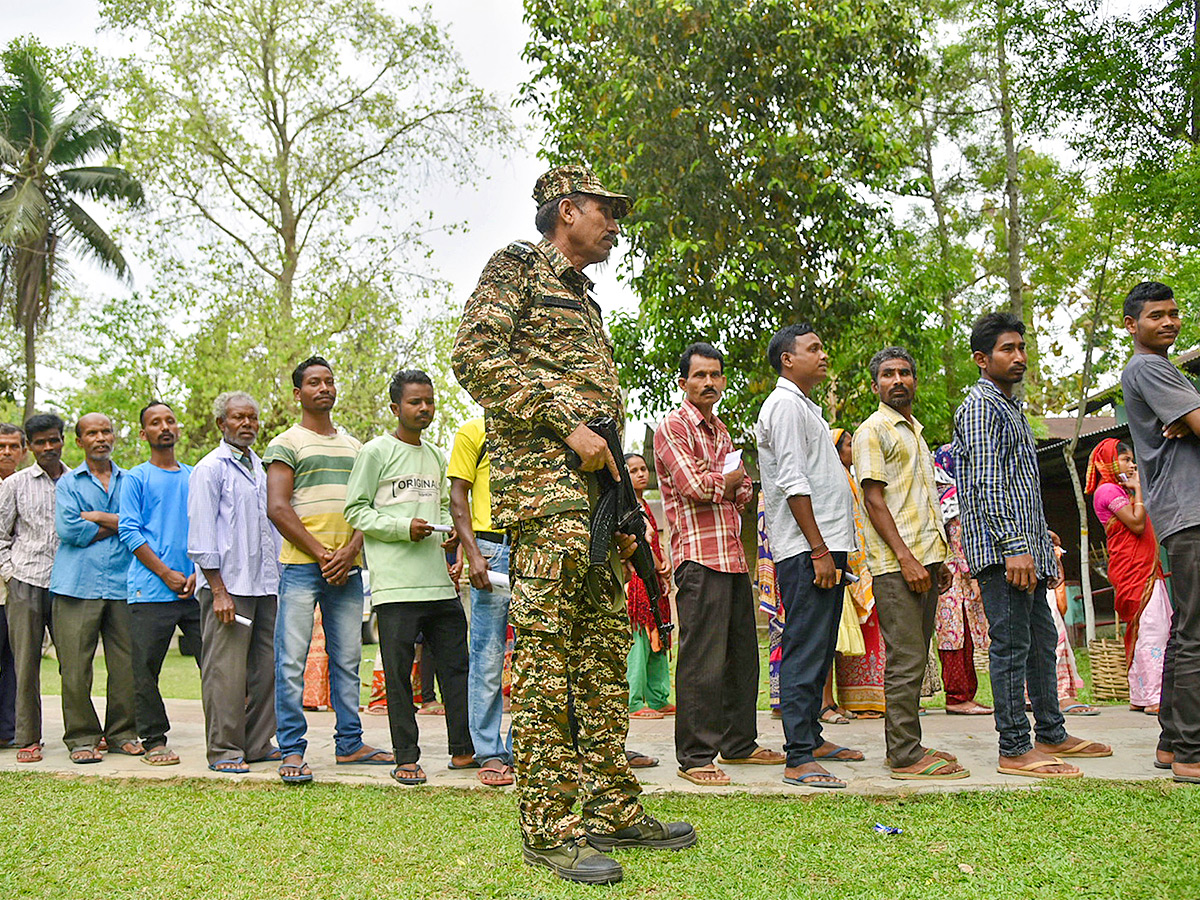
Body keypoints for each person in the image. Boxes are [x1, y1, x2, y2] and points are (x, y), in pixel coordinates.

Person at [453, 165, 693, 886]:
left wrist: (621, 503)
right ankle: (550, 831)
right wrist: (565, 422)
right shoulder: (517, 267)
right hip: (545, 499)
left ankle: (611, 807)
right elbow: (473, 355)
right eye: (605, 211)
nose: (615, 225)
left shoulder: (585, 300)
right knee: (546, 662)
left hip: (593, 505)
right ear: (567, 210)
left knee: (597, 661)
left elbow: (601, 414)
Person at [954, 312, 1111, 779]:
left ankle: (1051, 732)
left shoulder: (1008, 406)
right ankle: (1014, 747)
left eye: (1021, 347)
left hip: (1028, 548)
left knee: (1042, 643)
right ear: (982, 359)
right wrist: (1016, 544)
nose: (1019, 356)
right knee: (1011, 646)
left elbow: (1018, 483)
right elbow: (986, 483)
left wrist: (1041, 535)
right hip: (1006, 554)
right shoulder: (981, 407)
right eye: (1007, 349)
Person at [656, 341, 784, 788]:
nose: (708, 382)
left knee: (741, 657)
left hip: (732, 557)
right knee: (701, 661)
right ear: (683, 382)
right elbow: (693, 485)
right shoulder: (673, 426)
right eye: (699, 376)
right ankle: (694, 756)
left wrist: (731, 485)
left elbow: (744, 490)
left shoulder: (721, 430)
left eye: (715, 375)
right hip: (697, 556)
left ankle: (739, 743)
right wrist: (728, 483)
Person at [343, 369, 473, 786]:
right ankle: (406, 756)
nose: (424, 409)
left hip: (438, 583)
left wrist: (446, 532)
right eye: (415, 402)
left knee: (456, 668)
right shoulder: (376, 452)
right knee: (400, 676)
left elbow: (439, 507)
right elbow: (356, 510)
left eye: (429, 401)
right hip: (396, 586)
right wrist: (403, 528)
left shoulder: (436, 455)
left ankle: (463, 750)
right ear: (395, 407)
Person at [264, 355, 388, 784]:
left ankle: (350, 743)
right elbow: (277, 509)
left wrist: (350, 549)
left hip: (348, 570)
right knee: (291, 661)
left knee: (349, 660)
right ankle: (293, 749)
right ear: (298, 394)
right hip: (301, 566)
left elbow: (367, 508)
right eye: (314, 383)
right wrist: (321, 553)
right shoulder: (286, 443)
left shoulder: (356, 448)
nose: (324, 389)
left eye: (329, 382)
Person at [754, 323, 861, 789]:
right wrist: (818, 549)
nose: (823, 354)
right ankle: (798, 755)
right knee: (802, 646)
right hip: (805, 549)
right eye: (812, 348)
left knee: (818, 648)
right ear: (787, 360)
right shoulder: (782, 406)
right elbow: (792, 482)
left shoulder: (804, 408)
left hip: (825, 545)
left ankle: (812, 738)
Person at [853, 348, 966, 781]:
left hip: (924, 560)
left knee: (917, 657)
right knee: (905, 657)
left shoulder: (915, 432)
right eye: (887, 374)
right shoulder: (873, 431)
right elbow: (874, 500)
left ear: (915, 380)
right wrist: (906, 557)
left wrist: (937, 557)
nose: (897, 380)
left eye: (904, 373)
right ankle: (902, 754)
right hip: (895, 565)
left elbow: (923, 502)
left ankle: (910, 742)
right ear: (875, 384)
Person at [1120, 281, 1200, 782]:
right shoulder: (1149, 367)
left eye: (1173, 313)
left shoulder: (1160, 370)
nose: (1168, 322)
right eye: (1156, 316)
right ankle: (1192, 752)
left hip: (1179, 511)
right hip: (1190, 511)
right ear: (1132, 326)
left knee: (1186, 631)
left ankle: (1173, 744)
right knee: (1196, 633)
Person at [188, 391, 281, 774]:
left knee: (266, 668)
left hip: (265, 585)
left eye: (252, 418)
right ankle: (224, 749)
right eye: (238, 418)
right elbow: (202, 535)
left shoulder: (262, 469)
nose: (247, 424)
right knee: (225, 672)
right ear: (221, 424)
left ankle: (258, 743)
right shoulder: (210, 469)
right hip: (227, 588)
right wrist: (219, 590)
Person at [51, 413, 140, 763]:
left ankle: (122, 733)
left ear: (114, 436)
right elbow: (69, 530)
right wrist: (118, 523)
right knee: (74, 667)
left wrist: (97, 516)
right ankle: (82, 737)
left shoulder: (130, 480)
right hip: (77, 586)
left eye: (106, 431)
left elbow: (137, 524)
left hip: (123, 584)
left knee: (126, 665)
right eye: (92, 433)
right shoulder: (68, 483)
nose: (101, 438)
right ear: (80, 441)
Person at [117, 402, 201, 765]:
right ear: (143, 433)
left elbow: (209, 527)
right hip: (150, 591)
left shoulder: (195, 475)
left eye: (169, 421)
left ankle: (229, 733)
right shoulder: (136, 478)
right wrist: (165, 572)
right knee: (145, 670)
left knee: (214, 663)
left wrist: (199, 571)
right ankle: (153, 741)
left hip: (196, 589)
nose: (164, 427)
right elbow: (128, 531)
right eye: (155, 423)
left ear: (177, 428)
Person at [448, 414, 514, 787]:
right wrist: (472, 553)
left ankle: (521, 749)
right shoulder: (474, 430)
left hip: (534, 547)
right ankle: (489, 751)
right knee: (488, 653)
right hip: (491, 548)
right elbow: (458, 494)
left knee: (533, 656)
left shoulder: (536, 427)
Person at [1085, 438, 1172, 713]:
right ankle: (1154, 697)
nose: (1132, 464)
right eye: (1125, 460)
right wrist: (1138, 490)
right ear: (1108, 463)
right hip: (1135, 571)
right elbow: (1135, 524)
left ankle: (1141, 693)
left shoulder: (1118, 490)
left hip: (1141, 568)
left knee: (1147, 628)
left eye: (1132, 460)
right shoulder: (1108, 490)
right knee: (1153, 630)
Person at [0, 414, 67, 762]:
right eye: (39, 442)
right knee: (25, 665)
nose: (47, 447)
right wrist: (10, 573)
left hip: (68, 584)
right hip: (25, 582)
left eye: (53, 440)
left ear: (63, 441)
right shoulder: (15, 484)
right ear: (30, 446)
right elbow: (1, 534)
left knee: (73, 664)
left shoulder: (76, 482)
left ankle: (80, 734)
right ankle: (28, 738)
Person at [931, 445, 992, 717]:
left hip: (945, 576)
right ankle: (958, 696)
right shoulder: (954, 499)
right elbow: (960, 542)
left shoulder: (937, 496)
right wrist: (973, 577)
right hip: (957, 579)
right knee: (958, 638)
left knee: (954, 638)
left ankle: (962, 694)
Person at [830, 428, 885, 719]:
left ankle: (875, 699)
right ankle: (854, 699)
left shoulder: (855, 480)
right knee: (849, 636)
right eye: (848, 444)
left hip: (867, 562)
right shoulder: (836, 480)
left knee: (872, 631)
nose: (854, 448)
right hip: (851, 564)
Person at [622, 452, 673, 719]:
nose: (642, 474)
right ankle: (634, 701)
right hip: (639, 582)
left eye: (644, 469)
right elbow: (640, 544)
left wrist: (664, 567)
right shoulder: (626, 507)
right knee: (640, 642)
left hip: (654, 580)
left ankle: (657, 696)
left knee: (661, 637)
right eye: (634, 470)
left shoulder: (646, 505)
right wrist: (656, 563)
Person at [0, 423, 27, 746]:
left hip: (17, 594)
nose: (6, 452)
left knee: (15, 663)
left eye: (12, 446)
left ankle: (9, 731)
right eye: (0, 446)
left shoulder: (25, 485)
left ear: (23, 451)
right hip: (10, 581)